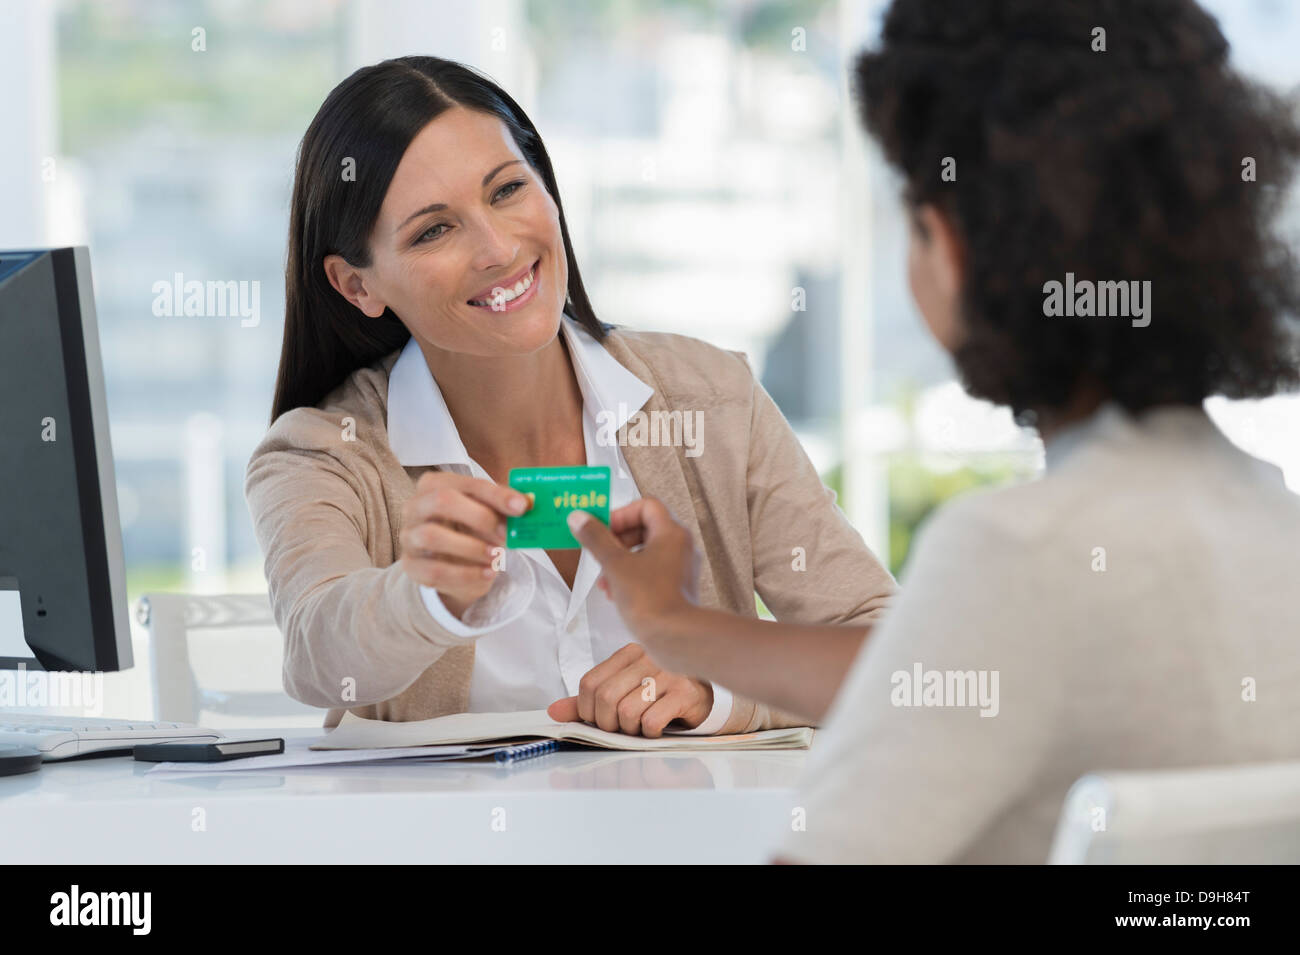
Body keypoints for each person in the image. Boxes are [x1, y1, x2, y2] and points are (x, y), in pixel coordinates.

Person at [567, 0, 1300, 862]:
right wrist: (678, 628)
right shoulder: (1268, 520)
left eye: (913, 215)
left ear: (950, 247)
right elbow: (945, 679)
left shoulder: (1015, 552)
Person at [244, 56, 896, 734]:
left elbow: (884, 646)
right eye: (434, 229)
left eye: (505, 191)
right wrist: (421, 596)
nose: (496, 248)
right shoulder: (319, 452)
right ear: (358, 285)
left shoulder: (713, 401)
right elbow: (316, 652)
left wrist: (721, 690)